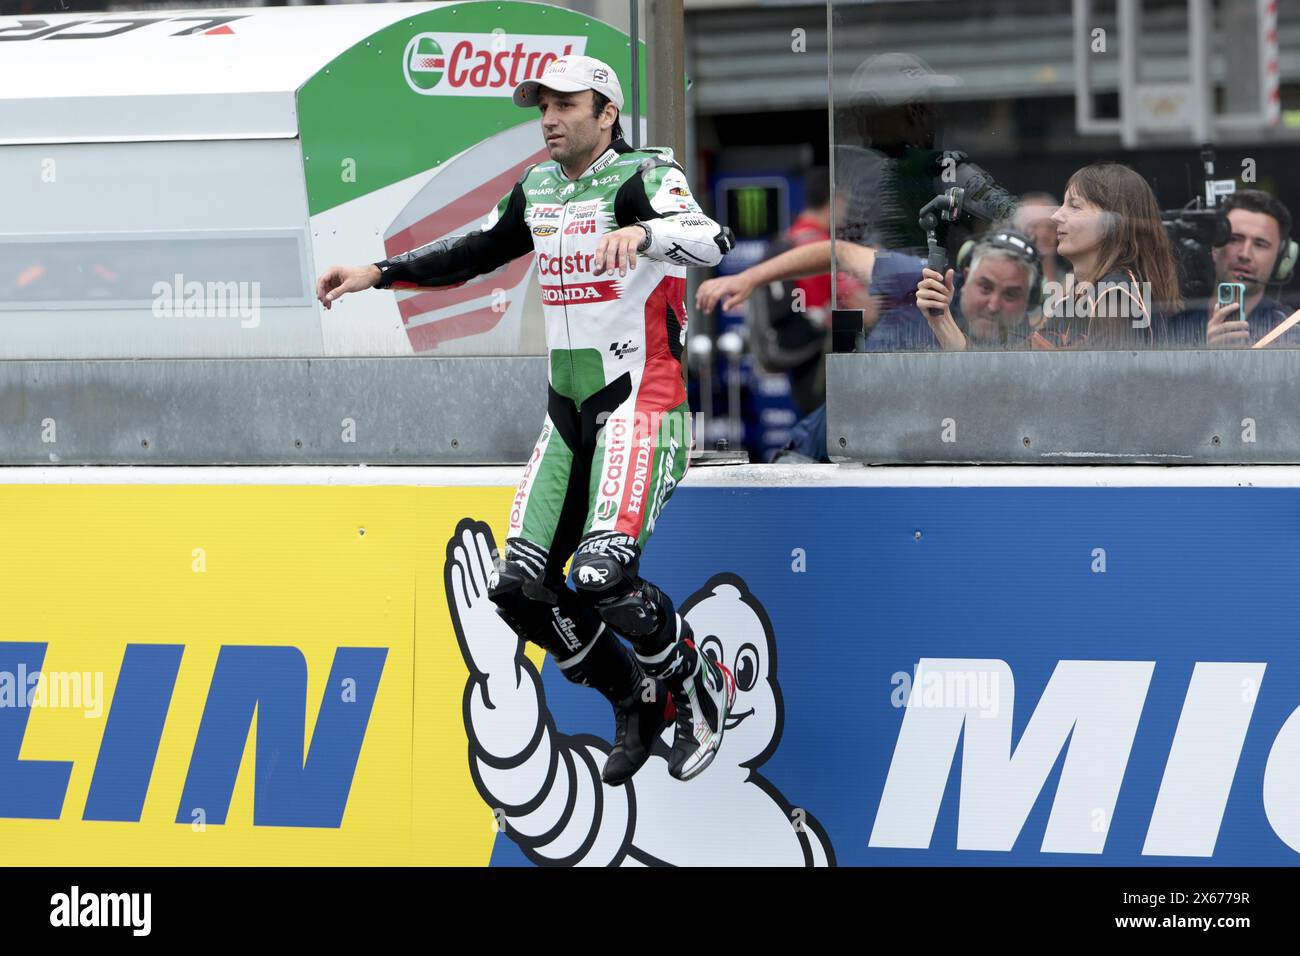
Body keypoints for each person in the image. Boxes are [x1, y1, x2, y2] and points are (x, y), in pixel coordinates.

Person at [316, 55, 737, 785]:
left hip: (644, 407)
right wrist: (375, 274)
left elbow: (712, 239)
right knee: (520, 589)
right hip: (567, 417)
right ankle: (633, 698)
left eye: (565, 104)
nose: (547, 117)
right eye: (540, 105)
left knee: (601, 573)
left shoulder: (646, 172)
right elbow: (475, 250)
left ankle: (696, 681)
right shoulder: (537, 186)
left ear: (606, 112)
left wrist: (645, 235)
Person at [697, 227, 1041, 353]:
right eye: (985, 286)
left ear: (1029, 300)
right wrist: (749, 278)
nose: (994, 304)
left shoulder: (1028, 344)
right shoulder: (920, 280)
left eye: (1011, 294)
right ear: (964, 275)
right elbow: (838, 252)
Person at [1036, 162, 1182, 348]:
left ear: (1112, 223)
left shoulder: (1114, 291)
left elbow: (1106, 375)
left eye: (1075, 206)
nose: (1056, 216)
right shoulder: (1078, 290)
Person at [1165, 189, 1299, 348]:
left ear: (1282, 258)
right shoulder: (1171, 329)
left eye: (1260, 244)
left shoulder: (1291, 331)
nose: (1245, 254)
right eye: (1234, 239)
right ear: (1214, 247)